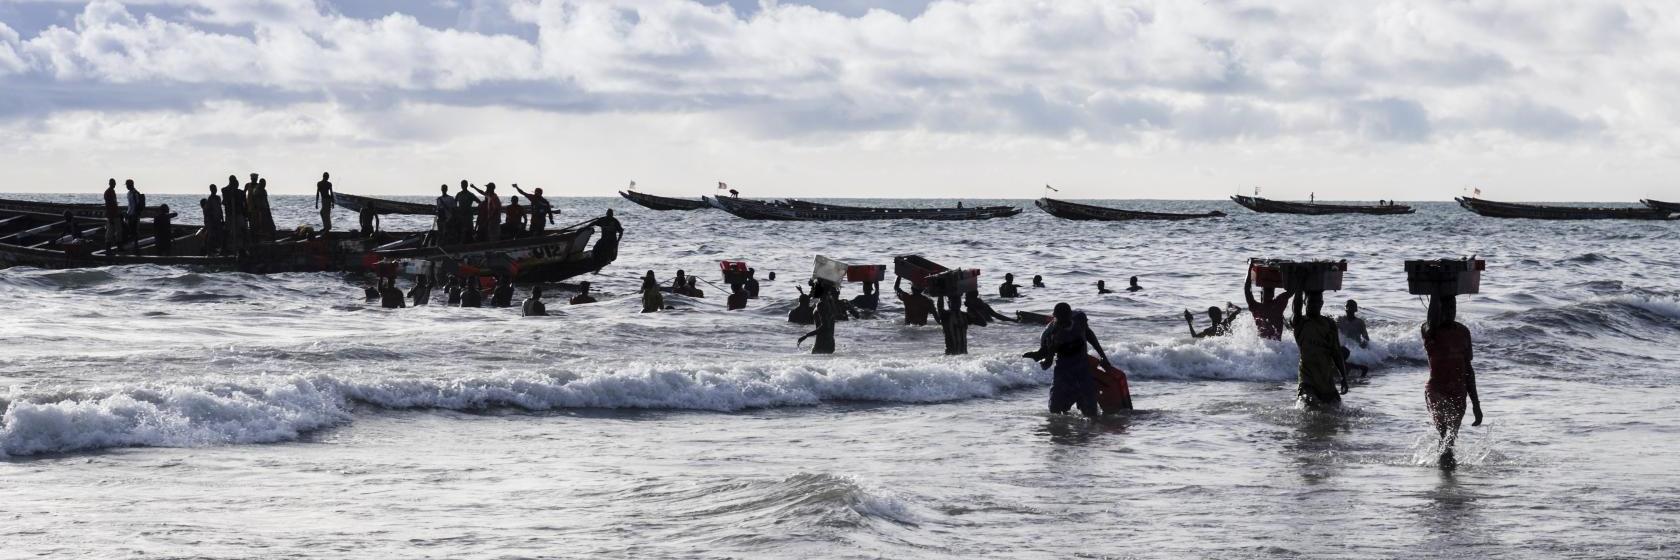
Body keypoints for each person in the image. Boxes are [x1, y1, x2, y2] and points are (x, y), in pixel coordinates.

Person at [1423, 294, 1483, 468]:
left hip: (1459, 390)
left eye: (1452, 308)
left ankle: (1446, 468)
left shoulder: (1463, 331)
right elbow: (1432, 320)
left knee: (1452, 435)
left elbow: (1468, 369)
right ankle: (1445, 465)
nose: (1450, 312)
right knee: (1444, 432)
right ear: (1436, 310)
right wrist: (1436, 292)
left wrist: (1476, 404)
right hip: (1436, 390)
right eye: (1445, 308)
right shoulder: (1429, 330)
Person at [1022, 303, 1110, 418]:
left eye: (1065, 319)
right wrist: (1043, 359)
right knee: (1055, 409)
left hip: (1082, 368)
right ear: (1054, 317)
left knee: (1091, 412)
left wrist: (1103, 356)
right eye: (1060, 320)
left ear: (1070, 315)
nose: (1063, 323)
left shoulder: (1080, 318)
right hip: (1063, 371)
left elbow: (1088, 334)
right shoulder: (1050, 334)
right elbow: (1047, 364)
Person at [1292, 291, 1349, 407]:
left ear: (1322, 303)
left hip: (1326, 377)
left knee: (1338, 411)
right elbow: (1296, 309)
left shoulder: (1329, 324)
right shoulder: (1299, 322)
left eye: (1317, 302)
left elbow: (1336, 352)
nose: (1314, 305)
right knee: (1309, 402)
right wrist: (1298, 287)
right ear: (1304, 302)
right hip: (1307, 376)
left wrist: (1344, 377)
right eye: (1311, 302)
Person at [1244, 267, 1295, 341]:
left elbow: (1247, 289)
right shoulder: (1278, 304)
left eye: (1268, 291)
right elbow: (1293, 289)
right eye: (1268, 291)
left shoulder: (1256, 307)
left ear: (1261, 294)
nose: (1268, 293)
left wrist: (1249, 268)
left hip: (1264, 348)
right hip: (1279, 348)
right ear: (1273, 294)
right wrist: (1290, 271)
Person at [797, 282, 837, 354]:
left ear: (819, 290)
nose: (812, 290)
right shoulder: (830, 301)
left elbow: (825, 326)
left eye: (814, 288)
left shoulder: (821, 304)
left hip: (821, 344)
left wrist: (806, 335)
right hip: (830, 342)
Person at [935, 289, 968, 355]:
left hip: (964, 356)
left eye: (958, 300)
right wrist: (940, 295)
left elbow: (983, 323)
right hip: (951, 355)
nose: (956, 303)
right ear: (949, 303)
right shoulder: (946, 316)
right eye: (954, 301)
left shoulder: (964, 316)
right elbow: (940, 307)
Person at [221, 176, 247, 253]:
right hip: (229, 214)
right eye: (234, 183)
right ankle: (224, 248)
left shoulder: (240, 192)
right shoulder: (225, 190)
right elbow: (224, 201)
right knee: (227, 231)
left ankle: (244, 246)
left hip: (238, 214)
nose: (236, 185)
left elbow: (244, 202)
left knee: (243, 229)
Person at [123, 179, 144, 253]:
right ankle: (131, 246)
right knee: (130, 231)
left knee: (135, 231)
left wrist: (135, 215)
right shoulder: (128, 193)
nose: (126, 186)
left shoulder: (135, 193)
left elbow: (137, 205)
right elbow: (130, 205)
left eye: (127, 185)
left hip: (134, 215)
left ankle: (136, 247)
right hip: (129, 214)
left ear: (131, 184)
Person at [202, 185, 224, 255]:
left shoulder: (218, 198)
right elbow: (207, 211)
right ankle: (209, 251)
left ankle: (219, 250)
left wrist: (222, 219)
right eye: (213, 189)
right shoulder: (210, 199)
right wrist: (212, 220)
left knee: (220, 235)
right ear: (211, 190)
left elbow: (220, 209)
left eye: (215, 189)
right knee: (211, 236)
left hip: (218, 220)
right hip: (212, 221)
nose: (215, 190)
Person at [102, 179, 122, 253]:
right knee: (110, 232)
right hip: (111, 215)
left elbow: (114, 204)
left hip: (115, 215)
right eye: (113, 183)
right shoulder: (108, 192)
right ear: (110, 183)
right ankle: (108, 248)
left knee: (118, 231)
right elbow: (108, 205)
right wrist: (110, 217)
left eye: (114, 183)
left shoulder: (112, 191)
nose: (114, 184)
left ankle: (118, 247)